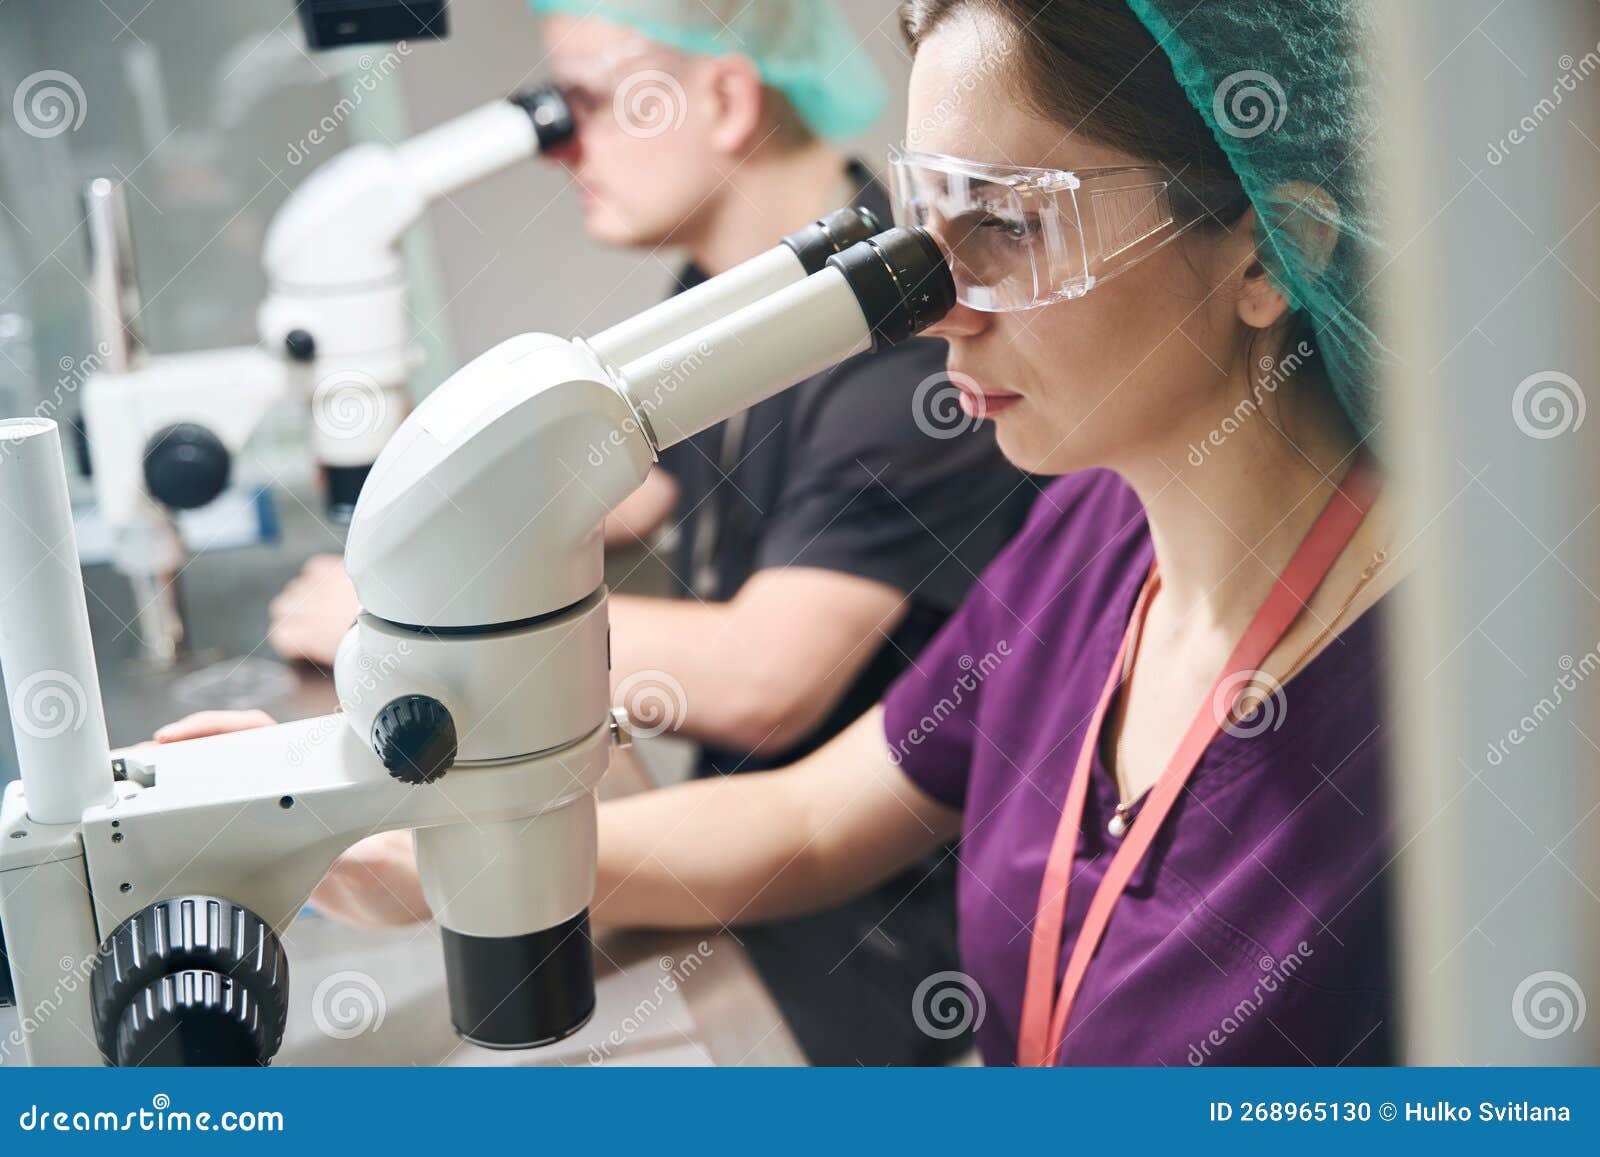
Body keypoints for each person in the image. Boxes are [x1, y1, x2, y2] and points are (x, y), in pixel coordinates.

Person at [165, 0, 1402, 1064]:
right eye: (932, 217)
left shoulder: (1443, 693)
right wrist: (428, 852)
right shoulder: (1087, 542)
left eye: (1012, 225)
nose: (935, 312)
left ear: (1272, 250)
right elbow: (812, 817)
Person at [250, 0, 1035, 1065]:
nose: (560, 145)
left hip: (863, 947)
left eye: (583, 100)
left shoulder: (895, 361)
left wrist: (423, 630)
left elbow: (767, 672)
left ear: (721, 96)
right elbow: (608, 489)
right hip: (734, 865)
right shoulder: (731, 301)